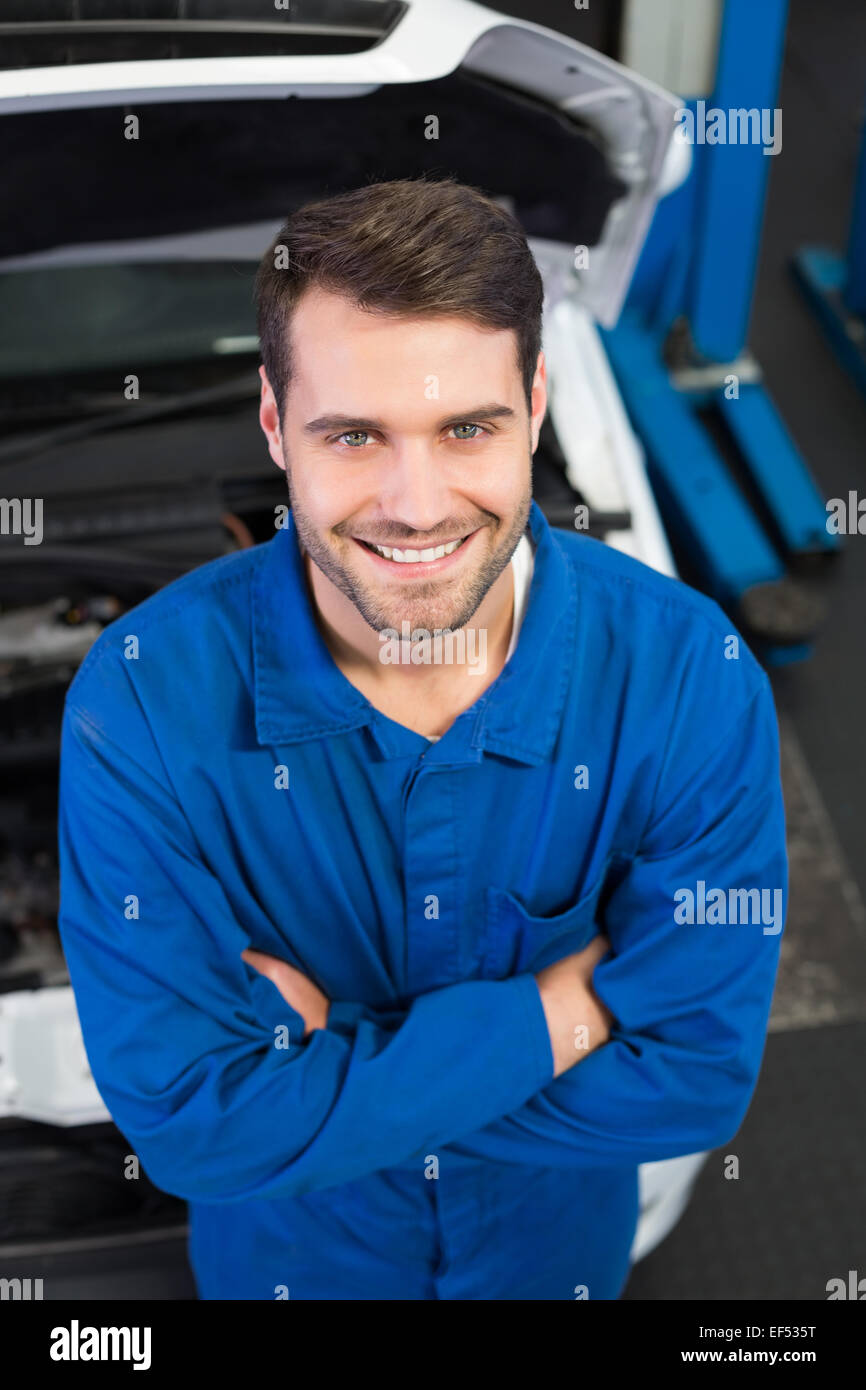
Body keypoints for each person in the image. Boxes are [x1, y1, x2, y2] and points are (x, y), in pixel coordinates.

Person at [57, 176, 788, 1301]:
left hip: (553, 1264)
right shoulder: (145, 701)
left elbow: (688, 1079)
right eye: (353, 434)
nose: (414, 502)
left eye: (466, 428)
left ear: (534, 408)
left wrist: (317, 1074)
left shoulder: (685, 677)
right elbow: (199, 1131)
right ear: (273, 423)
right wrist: (568, 1008)